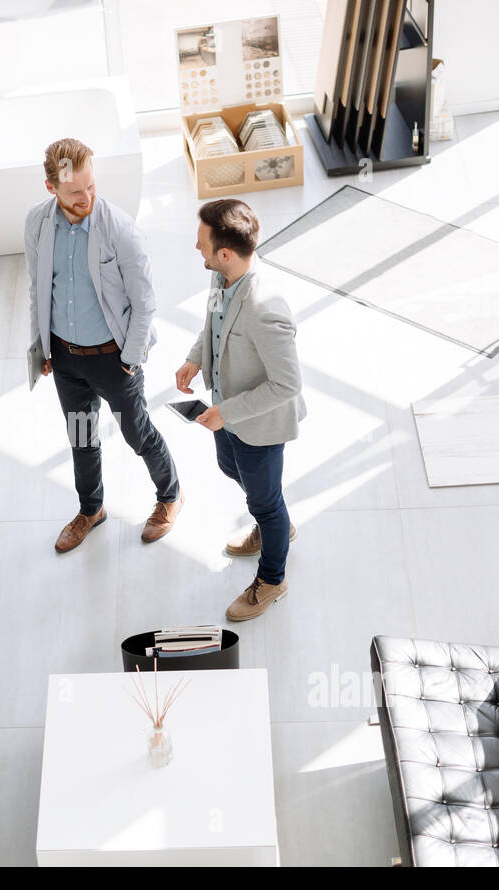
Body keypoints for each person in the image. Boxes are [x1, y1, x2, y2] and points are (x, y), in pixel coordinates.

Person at [25, 138, 182, 553]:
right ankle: (91, 509)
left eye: (91, 186)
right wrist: (41, 347)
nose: (87, 197)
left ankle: (170, 496)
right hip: (66, 360)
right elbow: (38, 289)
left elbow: (145, 302)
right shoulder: (37, 225)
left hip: (115, 361)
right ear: (50, 187)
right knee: (81, 436)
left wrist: (129, 360)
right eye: (75, 192)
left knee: (137, 434)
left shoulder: (120, 228)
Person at [176, 199, 306, 621]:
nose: (197, 249)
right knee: (231, 469)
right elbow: (212, 321)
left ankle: (273, 577)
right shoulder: (224, 275)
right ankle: (276, 527)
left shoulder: (266, 308)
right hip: (226, 413)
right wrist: (196, 357)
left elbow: (287, 384)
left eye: (202, 244)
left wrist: (227, 413)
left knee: (266, 501)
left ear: (225, 253)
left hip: (258, 425)